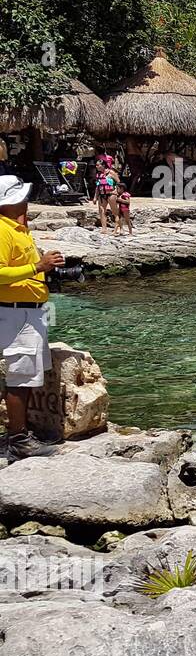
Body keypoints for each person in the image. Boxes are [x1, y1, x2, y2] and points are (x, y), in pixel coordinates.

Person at [0, 175, 64, 458]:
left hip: (26, 311)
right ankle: (18, 439)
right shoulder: (2, 231)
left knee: (23, 375)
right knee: (20, 378)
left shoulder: (18, 230)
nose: (26, 200)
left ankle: (16, 434)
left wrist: (43, 268)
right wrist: (39, 265)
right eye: (22, 197)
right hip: (16, 313)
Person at [94, 155, 119, 232]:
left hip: (111, 194)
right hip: (102, 195)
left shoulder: (111, 173)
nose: (96, 166)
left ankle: (117, 227)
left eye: (98, 165)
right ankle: (104, 228)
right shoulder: (98, 175)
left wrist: (116, 191)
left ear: (103, 165)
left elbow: (119, 182)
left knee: (114, 211)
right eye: (96, 165)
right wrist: (95, 197)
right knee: (101, 211)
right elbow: (98, 187)